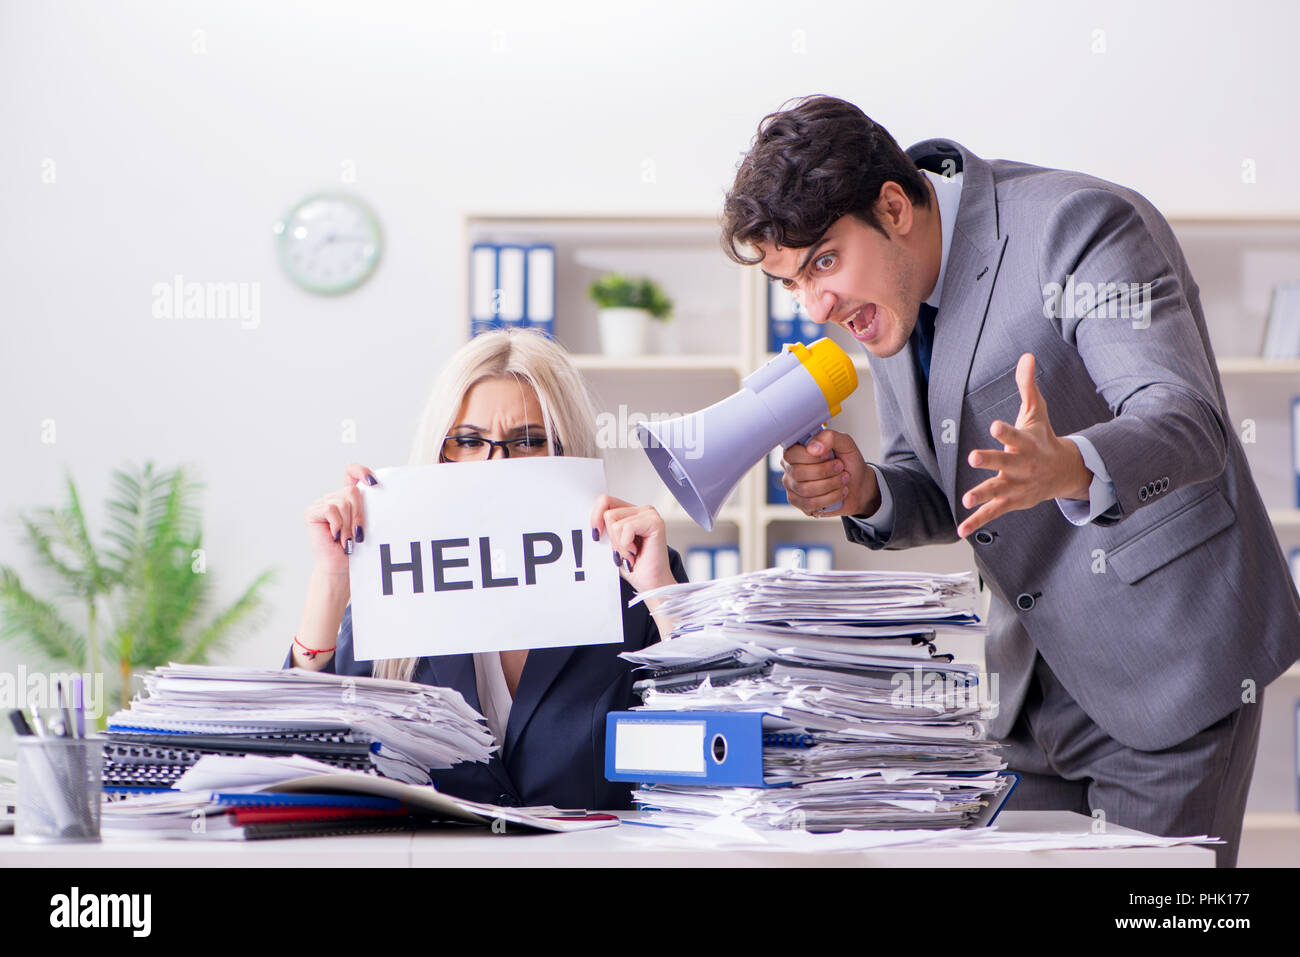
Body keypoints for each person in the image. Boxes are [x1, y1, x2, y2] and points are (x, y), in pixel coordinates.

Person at [720, 95, 1300, 867]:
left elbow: (1187, 421)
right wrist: (869, 490)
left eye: (823, 261)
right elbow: (955, 485)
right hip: (1023, 694)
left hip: (1166, 668)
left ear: (894, 206)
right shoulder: (883, 299)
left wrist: (1071, 463)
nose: (815, 305)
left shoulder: (1080, 225)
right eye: (792, 282)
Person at [285, 328, 687, 811]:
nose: (497, 464)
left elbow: (714, 745)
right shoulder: (398, 580)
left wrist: (661, 593)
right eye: (470, 442)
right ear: (439, 454)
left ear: (567, 449)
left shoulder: (634, 578)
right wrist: (331, 581)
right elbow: (301, 756)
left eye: (529, 440)